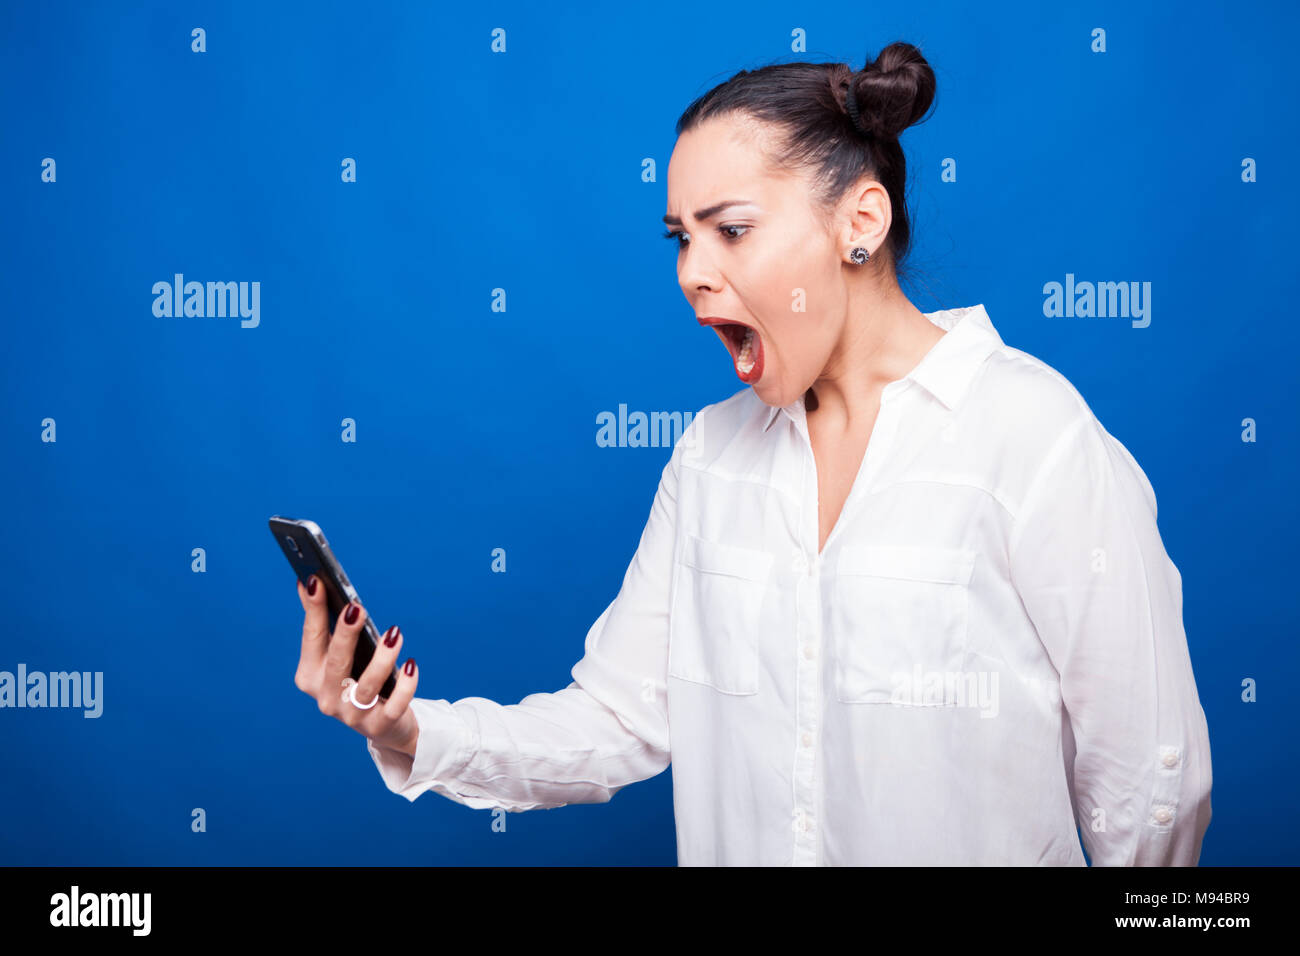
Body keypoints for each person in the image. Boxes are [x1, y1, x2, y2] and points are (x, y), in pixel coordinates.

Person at [292, 41, 1212, 866]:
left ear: (861, 222)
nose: (693, 270)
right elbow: (618, 717)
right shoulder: (708, 458)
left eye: (730, 230)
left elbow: (1149, 786)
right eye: (680, 239)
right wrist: (413, 732)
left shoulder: (1035, 437)